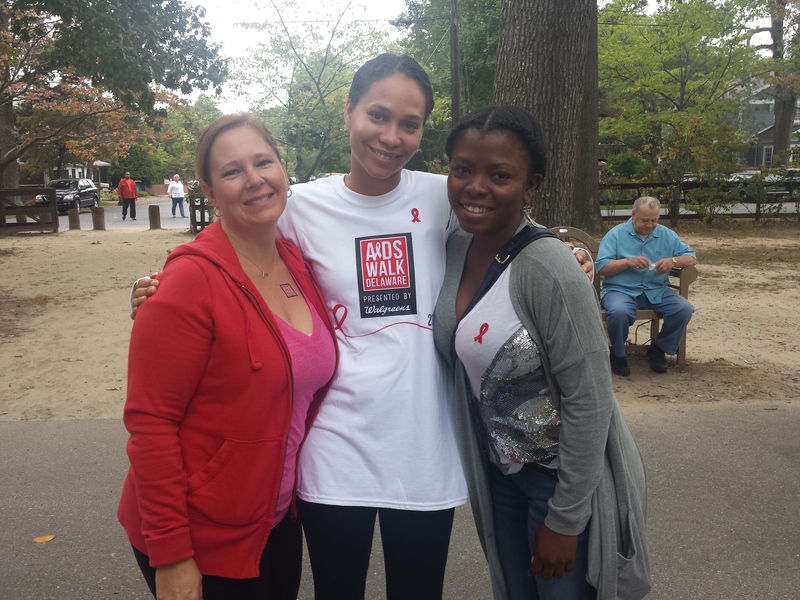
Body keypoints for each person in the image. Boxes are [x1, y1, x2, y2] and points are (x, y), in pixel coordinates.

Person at [130, 54, 593, 600]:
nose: (391, 136)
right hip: (334, 450)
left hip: (425, 448)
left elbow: (505, 224)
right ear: (349, 111)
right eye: (377, 115)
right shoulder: (298, 206)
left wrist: (567, 253)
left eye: (409, 123)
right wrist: (158, 286)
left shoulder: (444, 194)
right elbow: (234, 251)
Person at [432, 106, 651, 600]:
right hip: (499, 473)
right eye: (463, 169)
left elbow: (591, 400)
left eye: (500, 175)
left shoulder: (549, 267)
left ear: (530, 186)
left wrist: (566, 520)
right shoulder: (455, 246)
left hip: (557, 482)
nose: (475, 187)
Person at [117, 114, 338, 600]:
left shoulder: (296, 262)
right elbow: (151, 424)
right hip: (201, 533)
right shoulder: (188, 282)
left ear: (283, 169)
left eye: (264, 162)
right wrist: (172, 555)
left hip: (274, 518)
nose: (255, 179)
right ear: (210, 191)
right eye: (232, 171)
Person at [595, 196, 697, 376]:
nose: (649, 225)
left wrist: (672, 261)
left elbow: (691, 257)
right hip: (621, 290)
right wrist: (627, 262)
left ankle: (659, 348)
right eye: (645, 220)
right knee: (619, 312)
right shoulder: (615, 235)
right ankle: (618, 354)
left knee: (684, 309)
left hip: (656, 290)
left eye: (654, 220)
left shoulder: (667, 235)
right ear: (633, 214)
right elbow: (601, 267)